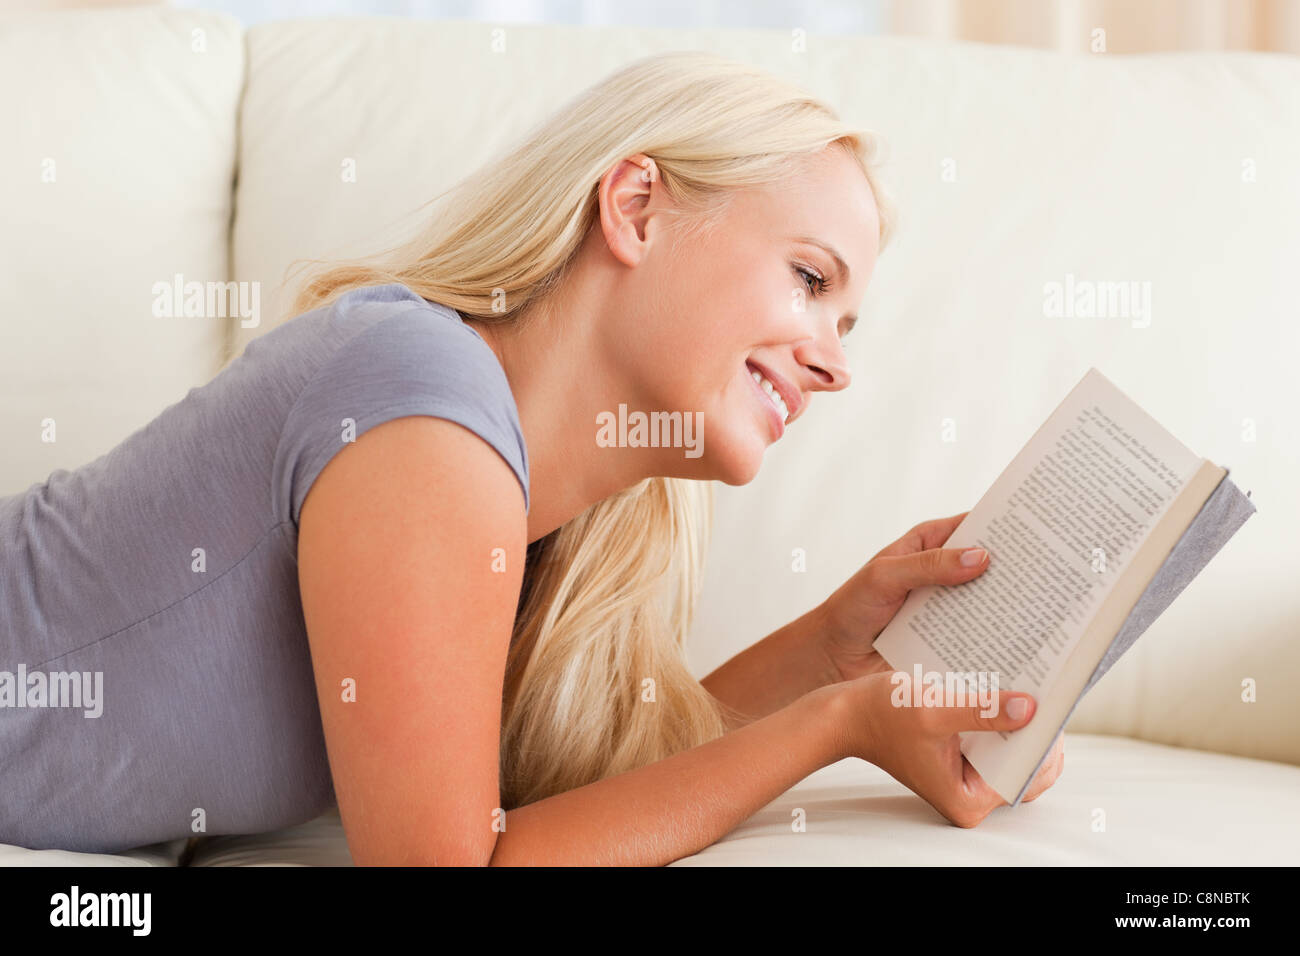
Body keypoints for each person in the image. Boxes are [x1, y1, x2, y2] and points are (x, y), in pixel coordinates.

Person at [0, 50, 1062, 864]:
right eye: (809, 279)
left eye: (849, 324)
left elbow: (580, 798)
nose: (833, 366)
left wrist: (831, 649)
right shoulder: (419, 399)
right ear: (636, 208)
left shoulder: (534, 500)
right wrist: (839, 722)